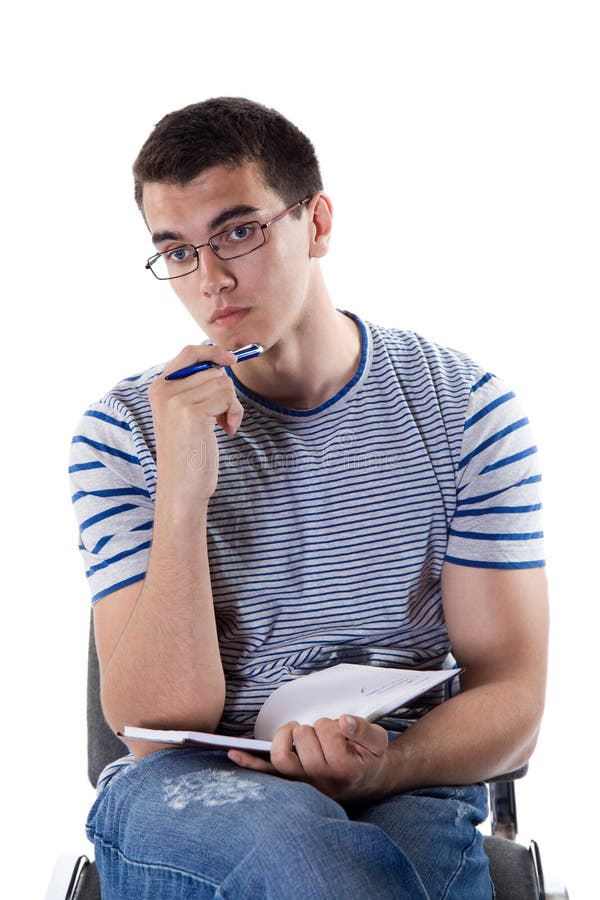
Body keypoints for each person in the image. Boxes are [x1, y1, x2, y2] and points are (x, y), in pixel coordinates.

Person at [69, 96, 548, 899]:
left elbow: (514, 698)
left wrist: (385, 767)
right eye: (178, 252)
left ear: (316, 223)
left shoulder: (464, 407)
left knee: (353, 868)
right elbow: (153, 723)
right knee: (308, 858)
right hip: (189, 788)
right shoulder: (124, 434)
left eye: (238, 231)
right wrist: (184, 490)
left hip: (404, 773)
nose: (211, 277)